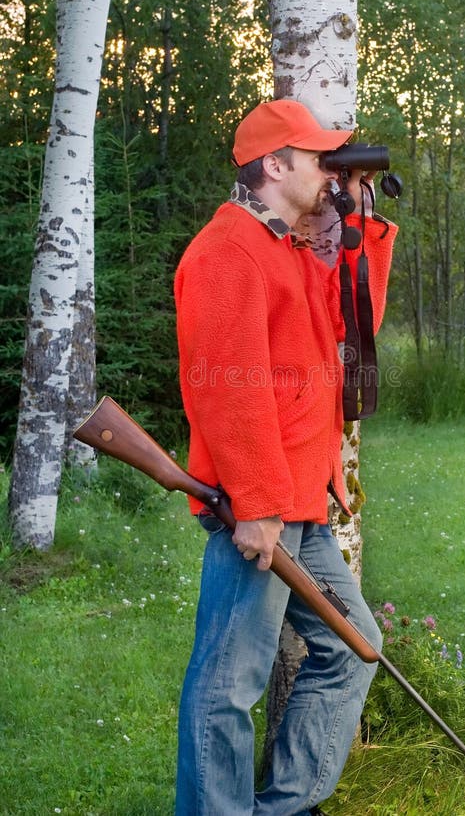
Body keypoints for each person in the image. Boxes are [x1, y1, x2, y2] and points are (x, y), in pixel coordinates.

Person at [174, 99, 398, 815]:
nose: (330, 170)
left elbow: (352, 328)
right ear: (275, 165)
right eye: (318, 158)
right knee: (228, 687)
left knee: (355, 645)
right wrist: (259, 505)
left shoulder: (285, 248)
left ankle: (282, 807)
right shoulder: (226, 252)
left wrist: (360, 220)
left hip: (302, 504)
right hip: (262, 507)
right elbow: (226, 391)